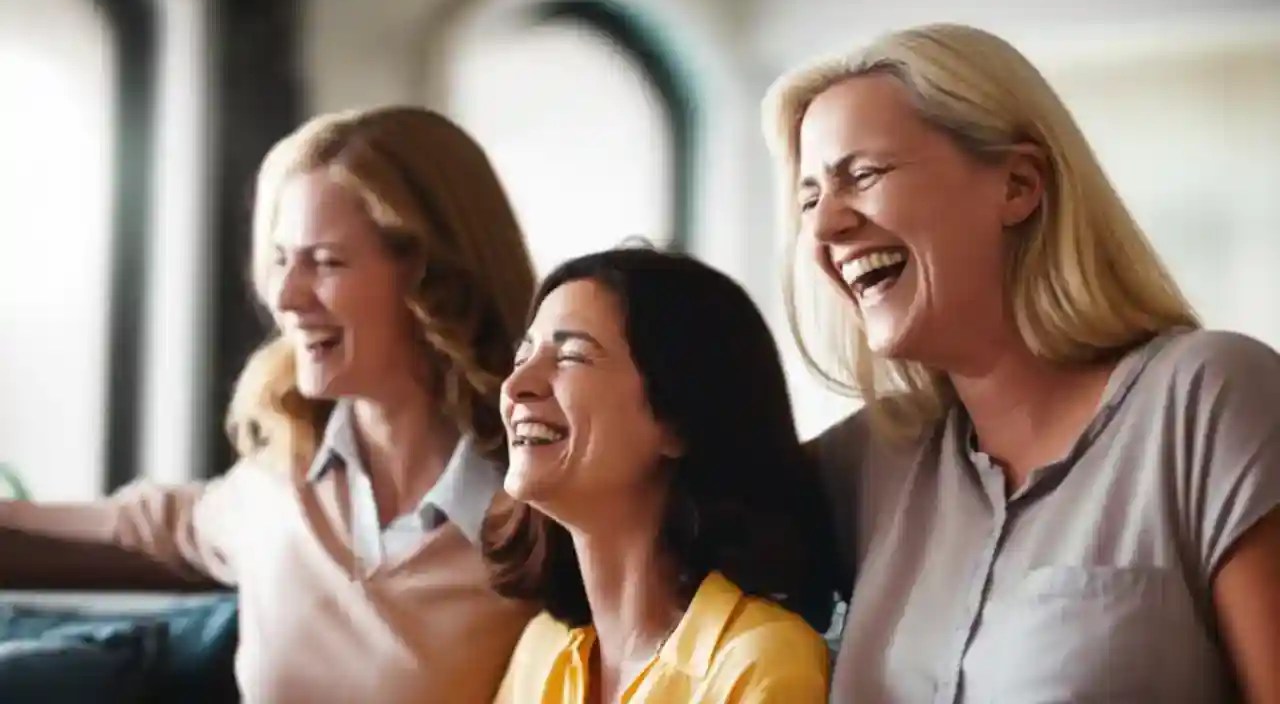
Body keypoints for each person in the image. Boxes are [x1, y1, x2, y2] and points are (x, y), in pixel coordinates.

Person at [761, 22, 1280, 703]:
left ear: (1018, 185)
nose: (826, 227)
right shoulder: (867, 461)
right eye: (809, 199)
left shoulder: (1208, 398)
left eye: (863, 175)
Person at [0, 106, 539, 703]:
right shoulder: (279, 485)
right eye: (281, 259)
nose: (284, 297)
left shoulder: (539, 517)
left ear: (435, 282)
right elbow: (158, 523)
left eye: (326, 262)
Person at [485, 247, 836, 703]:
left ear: (678, 419)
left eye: (572, 356)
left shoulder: (759, 661)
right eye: (522, 358)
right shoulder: (542, 647)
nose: (516, 387)